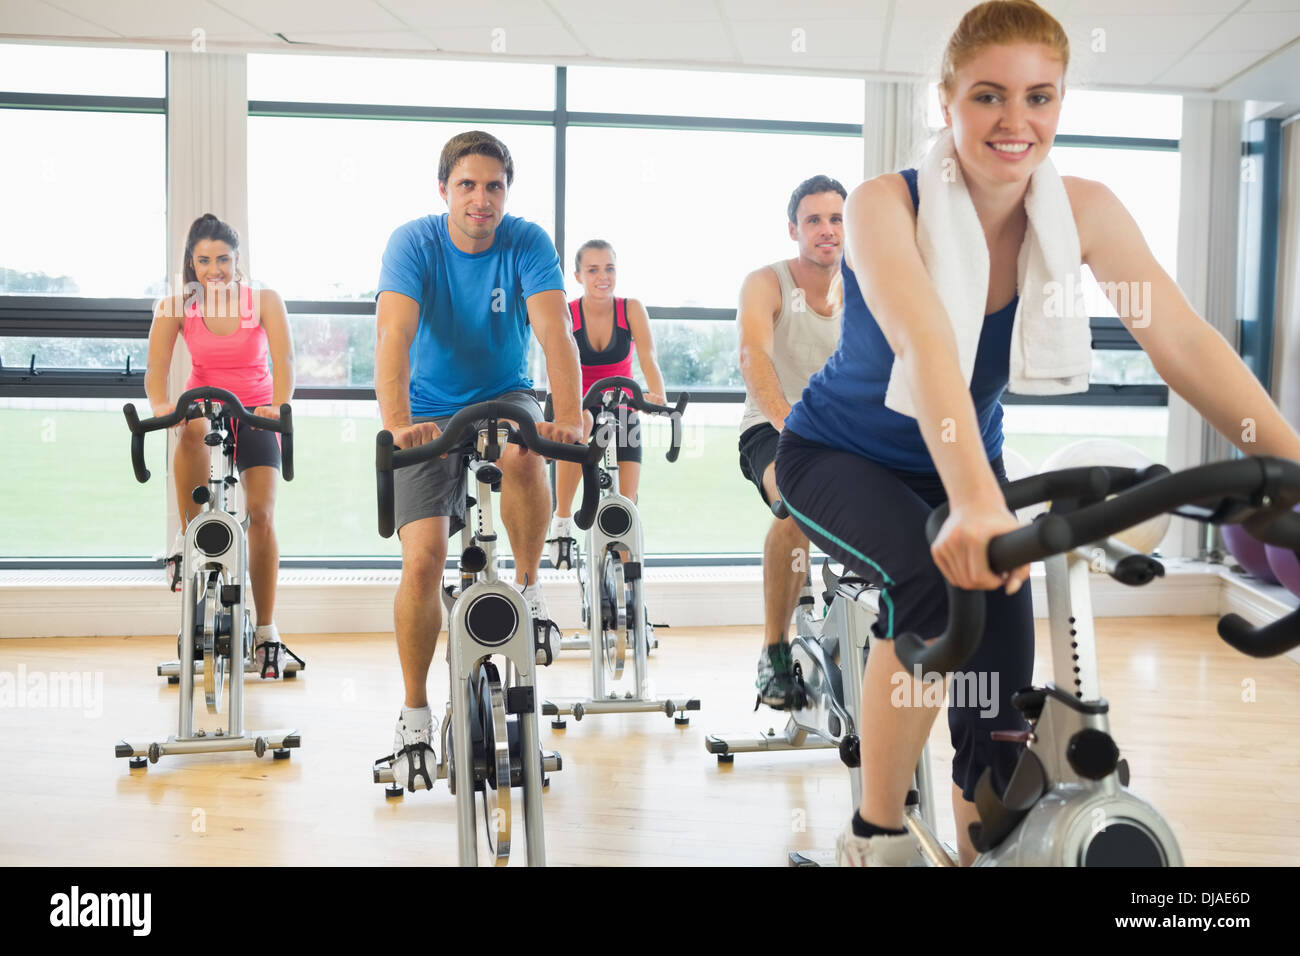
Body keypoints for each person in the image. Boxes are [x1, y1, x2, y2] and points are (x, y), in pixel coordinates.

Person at [774, 0, 1300, 866]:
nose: (1015, 122)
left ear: (1061, 102)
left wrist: (1285, 463)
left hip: (964, 466)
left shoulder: (1082, 211)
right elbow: (927, 342)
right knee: (935, 591)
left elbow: (1182, 340)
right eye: (988, 96)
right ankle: (874, 840)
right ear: (945, 100)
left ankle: (988, 844)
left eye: (1039, 97)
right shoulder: (880, 205)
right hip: (838, 454)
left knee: (1000, 683)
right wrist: (978, 505)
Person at [375, 130, 585, 792]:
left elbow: (554, 331)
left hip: (505, 395)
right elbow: (394, 335)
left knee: (524, 450)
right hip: (426, 410)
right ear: (444, 190)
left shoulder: (526, 242)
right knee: (424, 559)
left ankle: (527, 587)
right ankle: (413, 716)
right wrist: (398, 424)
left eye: (494, 186)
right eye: (467, 184)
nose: (481, 198)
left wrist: (571, 416)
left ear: (506, 194)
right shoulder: (414, 244)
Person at [144, 213, 299, 678]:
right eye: (204, 260)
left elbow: (284, 358)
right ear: (191, 262)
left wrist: (279, 404)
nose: (215, 269)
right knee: (189, 425)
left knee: (262, 515)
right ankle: (187, 536)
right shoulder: (175, 305)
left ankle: (268, 633)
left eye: (223, 259)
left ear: (238, 259)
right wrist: (160, 407)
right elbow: (156, 368)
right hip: (202, 407)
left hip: (254, 411)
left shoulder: (264, 300)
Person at [736, 176, 845, 708]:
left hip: (845, 432)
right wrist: (788, 421)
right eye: (814, 220)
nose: (827, 230)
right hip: (774, 426)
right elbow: (753, 355)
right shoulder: (768, 283)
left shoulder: (865, 286)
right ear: (794, 229)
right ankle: (775, 650)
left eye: (837, 218)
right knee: (796, 507)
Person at [548, 239, 668, 565]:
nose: (603, 276)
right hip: (580, 403)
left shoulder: (630, 309)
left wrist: (657, 395)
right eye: (593, 269)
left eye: (609, 268)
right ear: (577, 276)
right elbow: (555, 362)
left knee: (627, 502)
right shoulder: (568, 313)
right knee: (581, 424)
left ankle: (631, 584)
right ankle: (561, 522)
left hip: (621, 404)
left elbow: (649, 356)